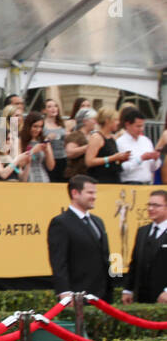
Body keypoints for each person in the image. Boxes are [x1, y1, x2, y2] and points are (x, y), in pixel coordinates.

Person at [47, 174, 112, 302]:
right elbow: (59, 261)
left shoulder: (98, 221)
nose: (94, 197)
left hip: (103, 295)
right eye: (90, 192)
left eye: (95, 193)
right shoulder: (61, 222)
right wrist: (64, 292)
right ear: (75, 193)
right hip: (78, 294)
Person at [121, 189, 167, 304]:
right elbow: (135, 262)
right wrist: (128, 289)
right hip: (141, 298)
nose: (151, 208)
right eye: (149, 205)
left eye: (156, 205)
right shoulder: (142, 231)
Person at [84, 107, 128, 184]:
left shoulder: (112, 138)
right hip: (100, 180)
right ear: (108, 121)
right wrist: (112, 158)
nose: (118, 123)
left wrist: (121, 159)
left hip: (113, 179)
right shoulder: (97, 137)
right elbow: (89, 161)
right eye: (116, 120)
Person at [117, 108, 161, 185]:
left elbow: (153, 168)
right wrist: (141, 159)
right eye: (138, 126)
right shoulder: (120, 142)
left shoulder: (146, 141)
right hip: (130, 183)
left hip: (147, 183)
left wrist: (155, 159)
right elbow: (122, 168)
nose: (141, 129)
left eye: (142, 126)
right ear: (127, 125)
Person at [65, 108, 97, 181]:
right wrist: (88, 147)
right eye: (93, 119)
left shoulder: (93, 135)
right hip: (77, 176)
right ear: (85, 121)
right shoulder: (75, 135)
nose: (95, 122)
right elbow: (69, 152)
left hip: (90, 175)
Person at [41, 98, 68, 183]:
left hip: (63, 158)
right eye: (49, 107)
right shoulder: (42, 125)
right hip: (49, 159)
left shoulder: (61, 123)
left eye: (55, 106)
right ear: (44, 110)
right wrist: (47, 138)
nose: (53, 108)